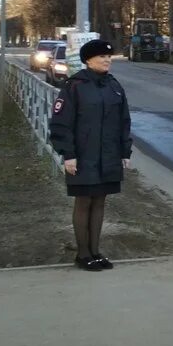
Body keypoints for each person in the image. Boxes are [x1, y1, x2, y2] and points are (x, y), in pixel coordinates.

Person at [49, 39, 132, 272]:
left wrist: (125, 151)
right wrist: (68, 154)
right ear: (88, 60)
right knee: (84, 201)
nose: (106, 60)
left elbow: (123, 122)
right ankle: (82, 253)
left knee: (100, 201)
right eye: (101, 57)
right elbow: (61, 123)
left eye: (108, 57)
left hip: (108, 155)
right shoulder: (74, 86)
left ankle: (96, 251)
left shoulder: (114, 85)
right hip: (83, 155)